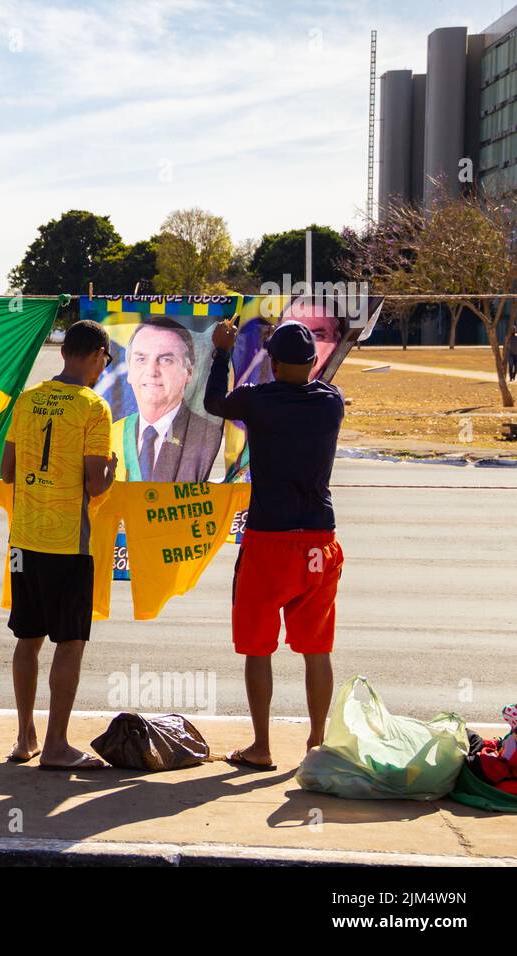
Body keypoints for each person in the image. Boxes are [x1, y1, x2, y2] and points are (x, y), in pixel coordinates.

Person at [204, 320, 346, 771]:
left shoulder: (259, 400)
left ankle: (262, 746)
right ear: (311, 364)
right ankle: (317, 743)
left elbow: (214, 402)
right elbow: (311, 385)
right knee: (316, 648)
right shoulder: (331, 403)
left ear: (274, 363)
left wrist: (223, 352)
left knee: (258, 647)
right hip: (319, 540)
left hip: (268, 539)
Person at [1, 320, 118, 770]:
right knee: (69, 642)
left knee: (27, 639)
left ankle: (24, 737)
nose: (102, 368)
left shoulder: (28, 401)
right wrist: (110, 466)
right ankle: (55, 746)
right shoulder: (93, 407)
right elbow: (95, 482)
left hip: (23, 539)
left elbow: (9, 472)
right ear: (95, 355)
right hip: (67, 542)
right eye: (104, 360)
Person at [111, 318, 221, 482]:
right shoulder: (113, 433)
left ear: (189, 372)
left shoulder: (206, 434)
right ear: (129, 370)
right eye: (141, 359)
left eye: (165, 360)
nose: (151, 371)